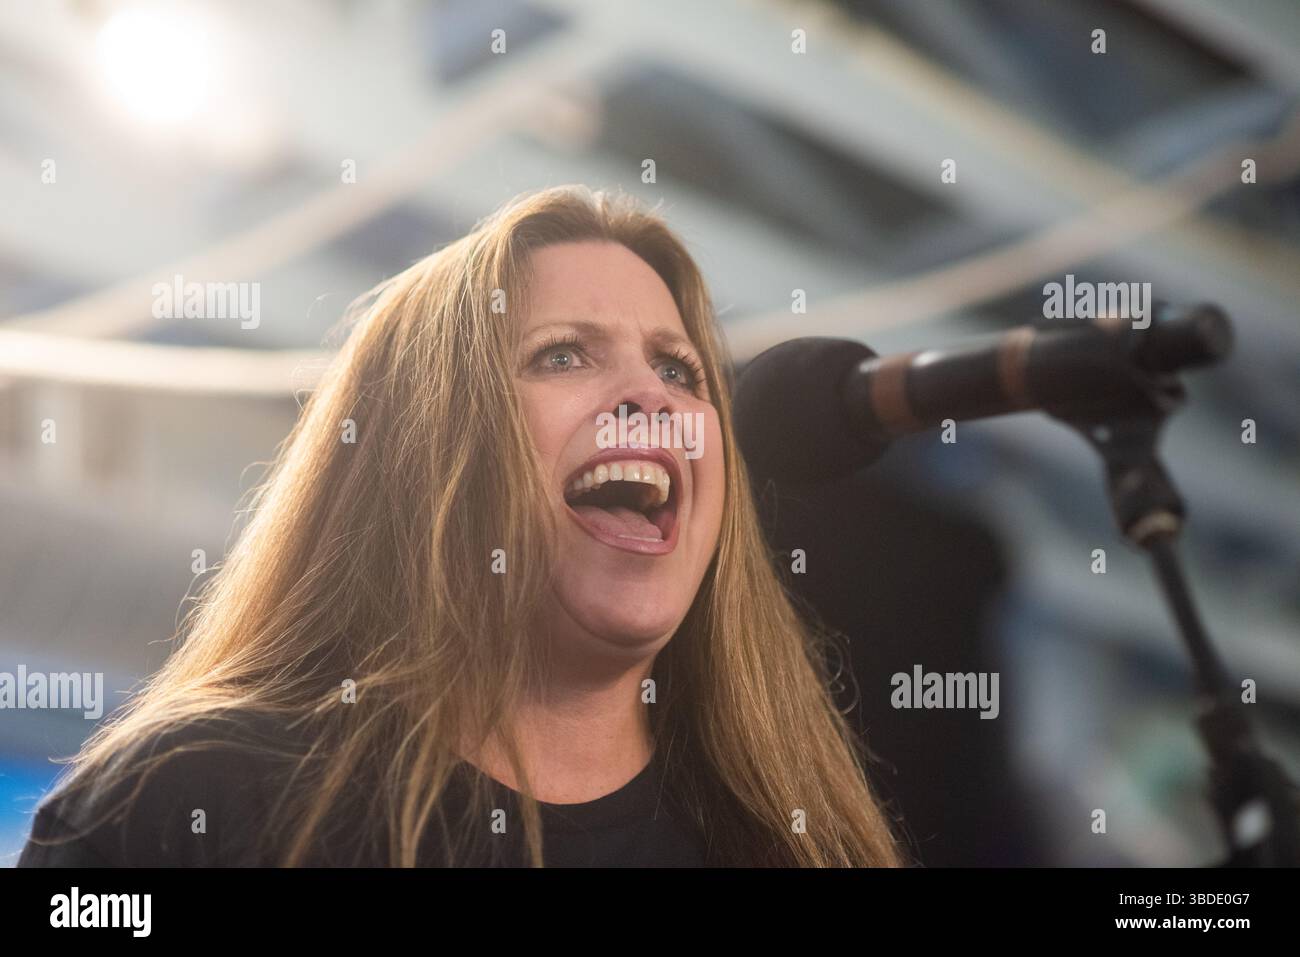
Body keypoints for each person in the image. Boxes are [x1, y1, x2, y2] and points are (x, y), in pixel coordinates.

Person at [18, 184, 905, 867]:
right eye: (562, 354)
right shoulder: (178, 804)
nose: (651, 398)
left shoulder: (797, 841)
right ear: (419, 449)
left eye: (681, 370)